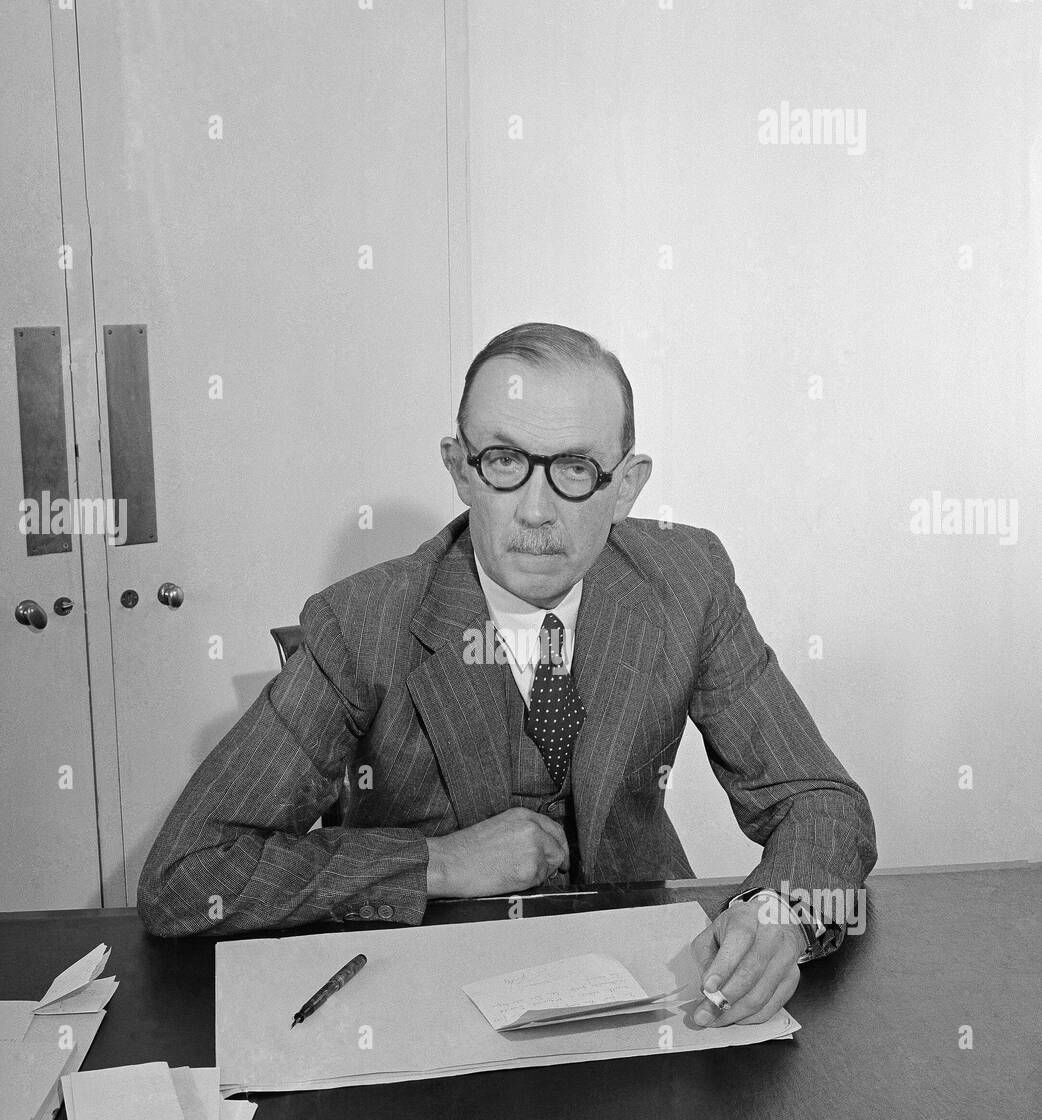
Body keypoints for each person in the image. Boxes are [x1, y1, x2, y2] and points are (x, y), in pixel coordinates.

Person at [138, 322, 877, 1028]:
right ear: (461, 469)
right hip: (431, 996)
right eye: (503, 462)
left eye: (576, 470)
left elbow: (819, 802)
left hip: (651, 990)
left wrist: (783, 914)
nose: (534, 510)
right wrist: (434, 863)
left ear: (627, 486)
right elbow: (186, 878)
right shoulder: (361, 623)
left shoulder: (688, 583)